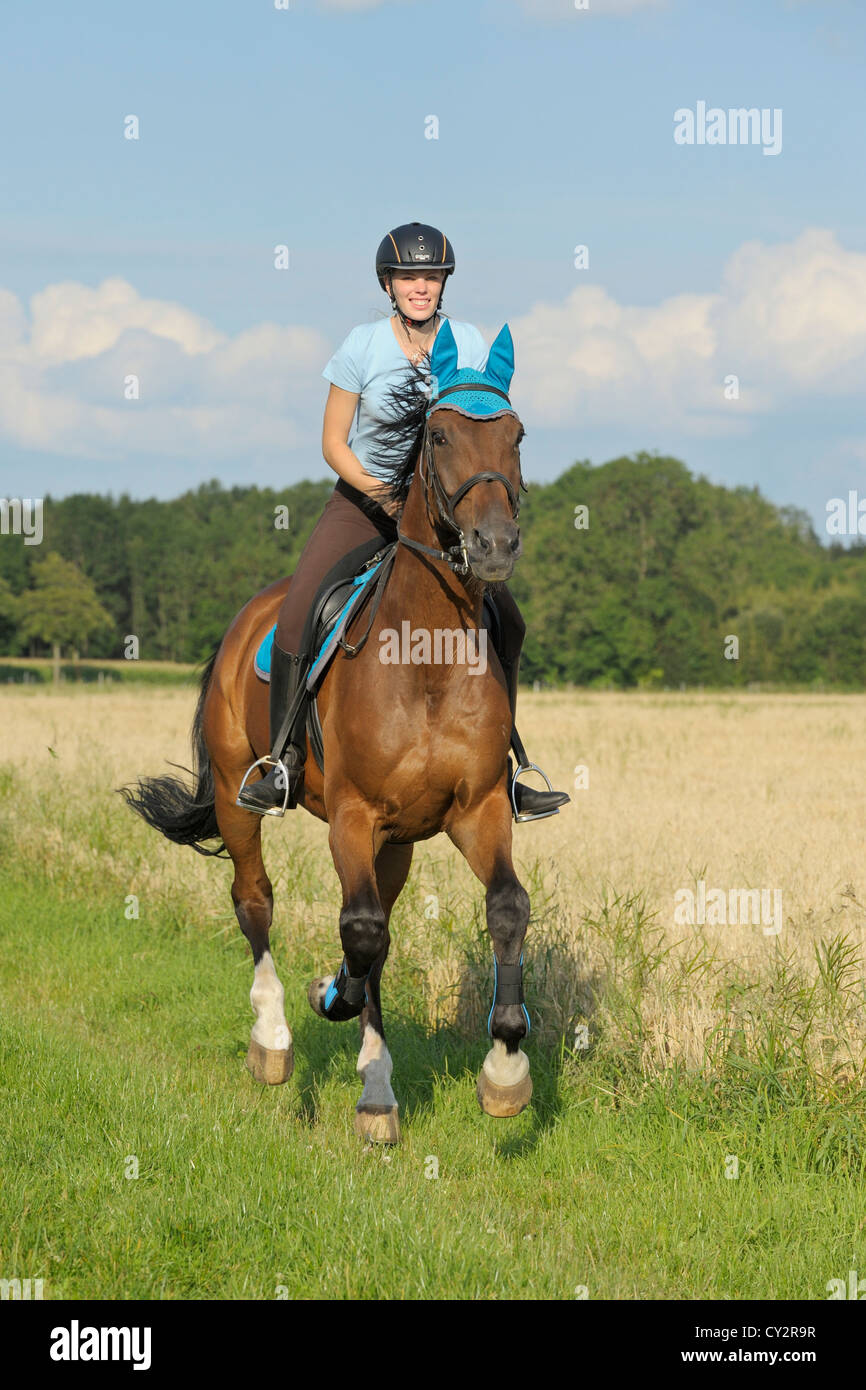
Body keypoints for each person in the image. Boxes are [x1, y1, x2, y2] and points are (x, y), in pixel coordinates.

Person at [237, 221, 569, 822]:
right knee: (298, 611)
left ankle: (510, 771)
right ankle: (282, 762)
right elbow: (333, 442)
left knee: (508, 623)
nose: (421, 286)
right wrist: (381, 495)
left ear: (444, 283)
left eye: (432, 277)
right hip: (363, 505)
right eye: (409, 277)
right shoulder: (362, 345)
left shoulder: (467, 341)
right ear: (388, 284)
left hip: (444, 514)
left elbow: (484, 425)